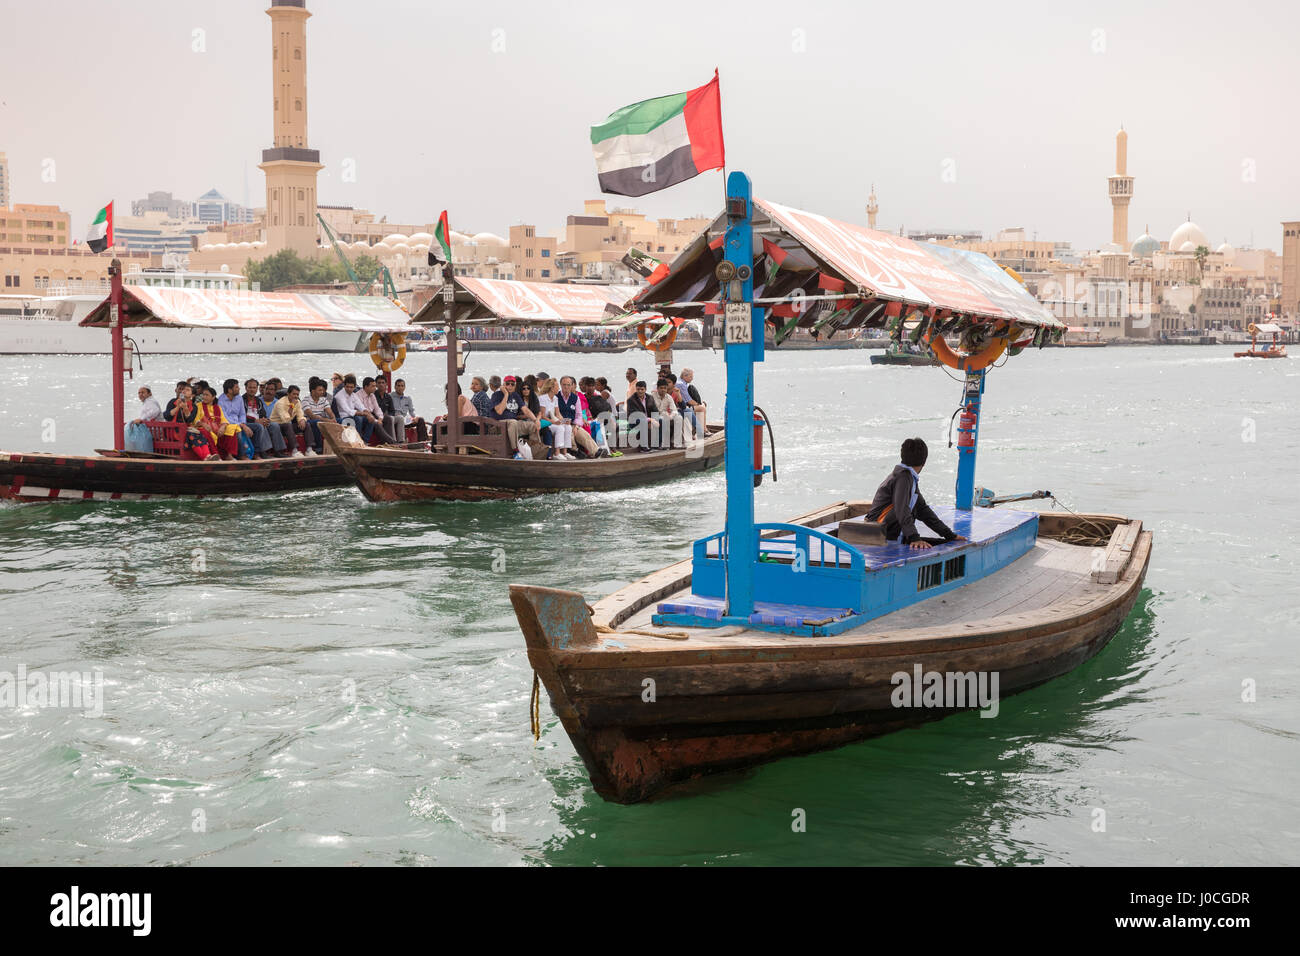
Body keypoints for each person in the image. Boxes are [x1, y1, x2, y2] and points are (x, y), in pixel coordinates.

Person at [866, 438, 968, 550]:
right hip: (877, 532)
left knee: (916, 506)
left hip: (885, 527)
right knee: (906, 507)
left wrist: (949, 535)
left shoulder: (908, 476)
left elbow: (922, 509)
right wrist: (914, 538)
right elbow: (902, 510)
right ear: (924, 462)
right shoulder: (903, 478)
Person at [218, 378, 268, 459]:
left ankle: (256, 453)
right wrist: (242, 425)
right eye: (237, 387)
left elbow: (242, 414)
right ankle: (242, 455)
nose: (239, 389)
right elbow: (224, 417)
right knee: (238, 430)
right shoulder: (221, 400)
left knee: (259, 427)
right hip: (228, 424)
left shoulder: (239, 398)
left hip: (240, 423)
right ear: (230, 390)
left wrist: (243, 424)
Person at [490, 375, 540, 454]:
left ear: (515, 386)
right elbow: (499, 411)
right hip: (499, 424)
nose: (510, 386)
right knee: (513, 422)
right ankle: (515, 451)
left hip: (514, 424)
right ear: (503, 385)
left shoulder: (515, 395)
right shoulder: (496, 395)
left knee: (533, 425)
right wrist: (506, 395)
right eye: (507, 384)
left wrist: (535, 420)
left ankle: (535, 452)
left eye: (512, 384)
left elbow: (525, 410)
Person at [244, 378, 293, 456]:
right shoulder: (242, 400)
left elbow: (262, 413)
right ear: (246, 388)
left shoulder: (257, 400)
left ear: (257, 389)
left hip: (259, 421)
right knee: (260, 425)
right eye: (250, 388)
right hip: (248, 423)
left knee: (273, 425)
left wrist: (264, 420)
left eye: (254, 388)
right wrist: (255, 421)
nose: (252, 390)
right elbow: (241, 416)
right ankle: (263, 452)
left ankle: (278, 451)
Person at [557, 375, 602, 458]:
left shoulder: (576, 398)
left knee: (583, 434)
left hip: (573, 423)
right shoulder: (556, 397)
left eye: (568, 385)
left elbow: (579, 414)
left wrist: (577, 426)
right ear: (560, 385)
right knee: (569, 432)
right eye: (564, 385)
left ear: (572, 386)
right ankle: (575, 450)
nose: (566, 387)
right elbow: (555, 414)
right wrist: (565, 422)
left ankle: (595, 451)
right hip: (561, 423)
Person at [193, 385, 242, 460]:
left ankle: (229, 455)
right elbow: (196, 420)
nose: (204, 397)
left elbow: (224, 420)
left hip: (217, 427)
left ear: (213, 397)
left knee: (231, 428)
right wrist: (203, 424)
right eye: (204, 395)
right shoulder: (198, 406)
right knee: (209, 432)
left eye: (207, 395)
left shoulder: (217, 407)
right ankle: (216, 455)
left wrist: (223, 427)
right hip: (206, 428)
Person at [357, 376, 403, 444]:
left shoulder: (372, 395)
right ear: (366, 387)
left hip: (372, 415)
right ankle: (392, 442)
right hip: (364, 416)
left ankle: (391, 441)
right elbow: (363, 410)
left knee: (388, 418)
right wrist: (377, 420)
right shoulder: (358, 395)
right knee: (376, 423)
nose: (375, 388)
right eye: (373, 386)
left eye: (375, 386)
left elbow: (377, 409)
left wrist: (380, 418)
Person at [270, 384, 309, 457]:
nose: (296, 396)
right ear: (288, 393)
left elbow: (300, 414)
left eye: (297, 394)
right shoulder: (280, 403)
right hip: (277, 427)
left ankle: (309, 449)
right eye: (294, 394)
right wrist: (292, 406)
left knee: (306, 424)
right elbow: (285, 419)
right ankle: (294, 450)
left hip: (287, 425)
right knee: (288, 425)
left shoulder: (297, 402)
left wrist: (302, 420)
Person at [300, 377, 336, 455]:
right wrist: (328, 420)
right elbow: (312, 416)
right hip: (309, 421)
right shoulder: (305, 400)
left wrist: (333, 418)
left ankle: (338, 445)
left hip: (321, 419)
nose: (322, 392)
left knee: (340, 421)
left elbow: (330, 412)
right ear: (313, 391)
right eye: (320, 390)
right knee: (316, 422)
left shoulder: (323, 400)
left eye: (322, 390)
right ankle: (318, 447)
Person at [624, 380, 658, 451]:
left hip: (647, 419)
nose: (640, 391)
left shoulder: (650, 398)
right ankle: (644, 447)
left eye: (642, 389)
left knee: (661, 420)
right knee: (643, 421)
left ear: (645, 389)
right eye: (638, 389)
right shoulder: (631, 400)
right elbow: (635, 414)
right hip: (634, 421)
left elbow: (655, 411)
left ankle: (657, 444)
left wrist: (654, 420)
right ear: (636, 389)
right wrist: (649, 420)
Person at [374, 376, 407, 444]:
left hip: (387, 417)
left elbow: (392, 411)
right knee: (390, 418)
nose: (381, 384)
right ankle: (393, 441)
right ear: (376, 384)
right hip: (378, 418)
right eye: (379, 383)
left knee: (400, 418)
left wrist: (388, 415)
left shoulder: (388, 397)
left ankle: (401, 441)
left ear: (386, 384)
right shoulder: (373, 396)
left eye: (383, 383)